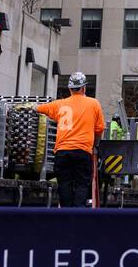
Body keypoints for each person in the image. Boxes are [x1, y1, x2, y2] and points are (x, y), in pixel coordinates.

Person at [34, 72, 105, 207]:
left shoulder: (60, 104)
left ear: (70, 89)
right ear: (84, 88)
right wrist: (95, 146)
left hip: (62, 152)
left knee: (64, 184)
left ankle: (65, 214)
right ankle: (78, 215)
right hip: (83, 151)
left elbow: (39, 108)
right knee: (82, 184)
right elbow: (99, 129)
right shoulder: (94, 104)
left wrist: (31, 106)